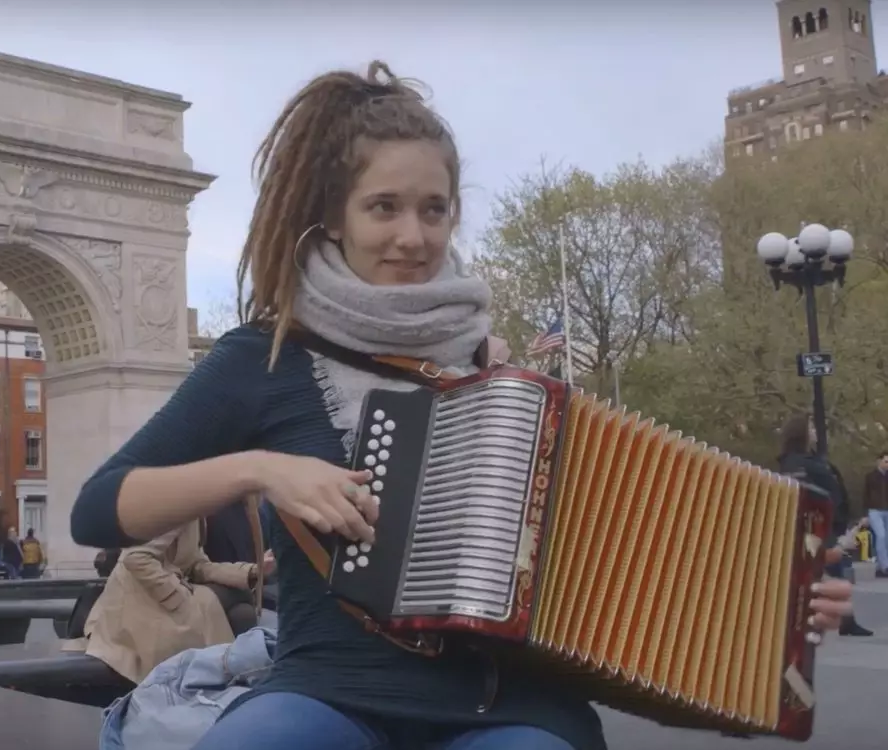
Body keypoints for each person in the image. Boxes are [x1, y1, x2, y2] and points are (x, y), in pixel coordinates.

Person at [71, 62, 853, 750]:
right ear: (334, 214)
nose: (413, 235)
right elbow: (98, 511)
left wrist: (784, 598)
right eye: (384, 208)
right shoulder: (268, 357)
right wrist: (261, 467)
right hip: (327, 691)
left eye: (434, 210)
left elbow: (632, 550)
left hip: (510, 705)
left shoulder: (498, 373)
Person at [76, 518, 272, 685]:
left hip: (161, 599)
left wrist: (253, 571)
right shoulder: (176, 508)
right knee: (238, 608)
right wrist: (175, 596)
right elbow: (135, 557)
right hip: (141, 607)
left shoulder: (195, 511)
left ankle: (240, 682)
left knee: (242, 607)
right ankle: (238, 682)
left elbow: (198, 565)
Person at [778, 413, 870, 636]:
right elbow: (827, 495)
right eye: (810, 428)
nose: (814, 433)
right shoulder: (811, 465)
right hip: (820, 527)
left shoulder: (787, 463)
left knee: (829, 572)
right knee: (830, 569)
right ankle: (842, 620)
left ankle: (844, 619)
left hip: (812, 526)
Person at [862, 450, 888, 578]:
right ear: (879, 461)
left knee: (886, 538)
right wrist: (865, 514)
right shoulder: (870, 476)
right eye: (886, 461)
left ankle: (879, 567)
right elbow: (865, 496)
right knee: (881, 535)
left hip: (887, 510)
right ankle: (885, 566)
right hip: (874, 510)